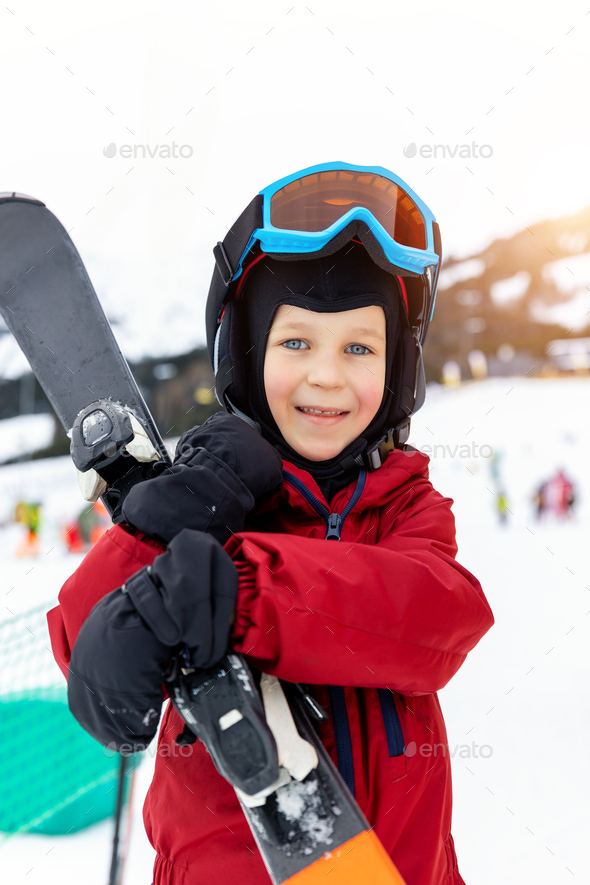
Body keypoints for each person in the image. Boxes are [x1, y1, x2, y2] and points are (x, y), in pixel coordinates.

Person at [47, 163, 494, 885]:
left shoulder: (405, 506)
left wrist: (240, 593)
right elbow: (80, 636)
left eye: (359, 347)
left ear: (399, 367)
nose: (327, 375)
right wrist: (167, 522)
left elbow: (437, 616)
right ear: (248, 355)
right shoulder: (201, 505)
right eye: (296, 344)